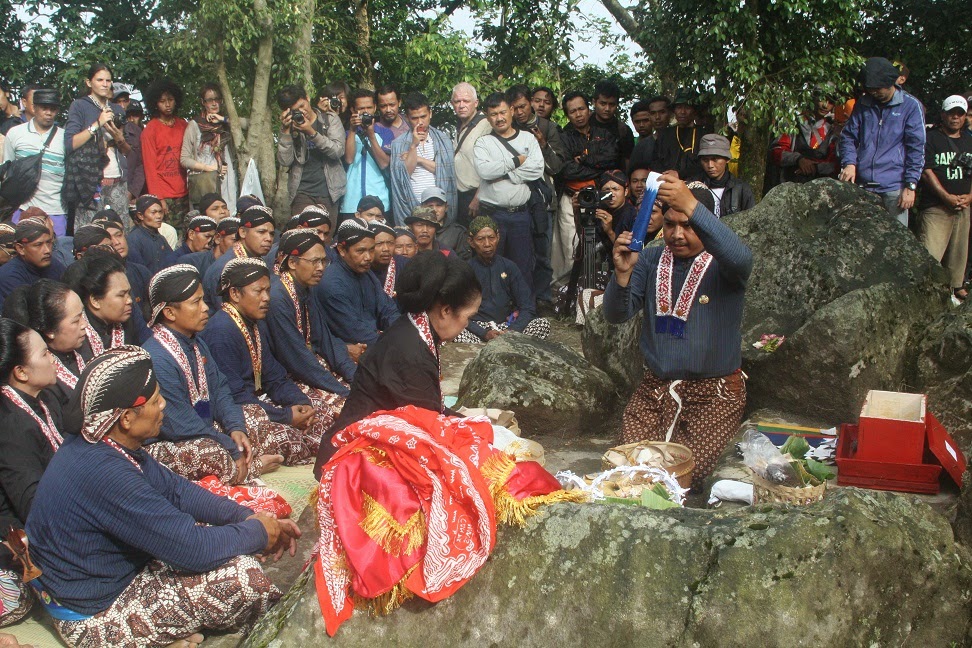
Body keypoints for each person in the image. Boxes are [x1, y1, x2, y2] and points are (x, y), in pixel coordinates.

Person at [25, 345, 297, 648]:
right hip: (93, 615)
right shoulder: (104, 471)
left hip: (115, 577)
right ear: (127, 417)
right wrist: (258, 532)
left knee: (228, 536)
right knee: (242, 577)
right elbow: (192, 550)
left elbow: (178, 490)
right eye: (156, 401)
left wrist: (245, 516)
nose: (164, 405)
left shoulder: (108, 443)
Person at [603, 173, 752, 490]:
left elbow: (742, 258)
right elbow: (616, 314)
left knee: (689, 475)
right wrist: (622, 274)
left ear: (708, 224)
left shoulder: (723, 264)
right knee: (629, 468)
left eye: (689, 224)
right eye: (670, 224)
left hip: (713, 398)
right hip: (654, 393)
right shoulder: (651, 257)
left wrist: (690, 203)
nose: (677, 234)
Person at [313, 250, 482, 473]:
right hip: (352, 460)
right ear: (446, 311)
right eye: (468, 317)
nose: (467, 324)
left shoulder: (412, 329)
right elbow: (428, 425)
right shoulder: (411, 351)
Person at [202, 257, 339, 465]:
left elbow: (275, 376)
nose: (267, 298)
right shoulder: (221, 330)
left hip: (260, 401)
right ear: (235, 294)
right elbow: (235, 396)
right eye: (259, 291)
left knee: (320, 411)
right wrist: (286, 416)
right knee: (291, 439)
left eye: (267, 290)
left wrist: (299, 402)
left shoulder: (254, 323)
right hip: (238, 410)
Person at [143, 264, 271, 483]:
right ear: (170, 312)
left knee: (254, 417)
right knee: (211, 453)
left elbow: (220, 388)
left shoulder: (196, 342)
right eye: (196, 302)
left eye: (203, 300)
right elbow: (179, 425)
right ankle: (255, 466)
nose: (206, 308)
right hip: (173, 439)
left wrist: (235, 428)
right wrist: (229, 445)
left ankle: (245, 463)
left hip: (203, 426)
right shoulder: (157, 357)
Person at [0, 318, 58, 628]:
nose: (53, 358)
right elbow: (32, 505)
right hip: (16, 534)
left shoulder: (42, 399)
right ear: (21, 373)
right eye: (45, 354)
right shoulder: (11, 426)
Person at [266, 229, 354, 407]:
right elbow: (296, 358)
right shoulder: (277, 298)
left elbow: (324, 340)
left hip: (309, 364)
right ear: (292, 262)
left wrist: (356, 376)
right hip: (288, 375)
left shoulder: (306, 287)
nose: (321, 268)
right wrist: (341, 390)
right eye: (314, 261)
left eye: (323, 261)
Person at [839, 57, 926, 226]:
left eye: (877, 88)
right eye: (870, 88)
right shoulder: (863, 104)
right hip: (862, 185)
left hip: (895, 187)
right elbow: (848, 136)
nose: (873, 92)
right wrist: (849, 163)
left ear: (890, 82)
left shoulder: (911, 106)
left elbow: (917, 148)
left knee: (897, 245)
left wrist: (910, 185)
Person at [473, 93, 545, 292]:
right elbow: (485, 171)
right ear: (487, 117)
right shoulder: (483, 143)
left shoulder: (528, 139)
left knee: (522, 266)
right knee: (491, 265)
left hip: (521, 214)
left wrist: (505, 174)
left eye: (503, 112)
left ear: (511, 111)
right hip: (492, 215)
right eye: (493, 114)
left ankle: (525, 310)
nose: (499, 118)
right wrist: (516, 162)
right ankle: (494, 311)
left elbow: (537, 169)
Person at [508, 84, 566, 303]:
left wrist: (542, 144)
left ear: (530, 102)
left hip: (543, 201)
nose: (519, 112)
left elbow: (558, 167)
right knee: (520, 252)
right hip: (516, 199)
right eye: (514, 108)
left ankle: (542, 298)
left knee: (543, 253)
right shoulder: (507, 129)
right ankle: (521, 298)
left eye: (522, 106)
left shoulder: (548, 127)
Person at [555, 91, 619, 285]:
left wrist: (584, 160)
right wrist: (596, 167)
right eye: (573, 111)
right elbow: (567, 170)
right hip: (572, 197)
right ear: (567, 115)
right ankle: (568, 292)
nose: (579, 114)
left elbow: (611, 159)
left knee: (601, 243)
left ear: (589, 109)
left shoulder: (604, 134)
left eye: (581, 109)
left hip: (602, 197)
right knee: (571, 245)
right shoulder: (564, 137)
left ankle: (599, 287)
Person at [453, 216, 549, 344]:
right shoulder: (465, 269)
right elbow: (457, 311)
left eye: (491, 238)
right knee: (456, 331)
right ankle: (496, 345)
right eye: (480, 239)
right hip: (478, 328)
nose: (487, 244)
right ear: (471, 242)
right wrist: (484, 333)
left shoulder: (509, 267)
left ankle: (504, 343)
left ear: (498, 237)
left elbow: (527, 306)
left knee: (542, 324)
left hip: (506, 326)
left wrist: (511, 330)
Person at [62, 63, 132, 232]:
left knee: (119, 233)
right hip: (90, 183)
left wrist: (118, 137)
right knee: (89, 234)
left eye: (108, 80)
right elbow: (70, 143)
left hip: (117, 182)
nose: (104, 84)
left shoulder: (117, 109)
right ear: (89, 82)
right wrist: (98, 123)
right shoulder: (79, 105)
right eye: (99, 80)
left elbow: (127, 151)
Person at [3, 280, 89, 407]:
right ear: (50, 331)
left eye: (83, 314)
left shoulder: (87, 345)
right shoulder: (43, 376)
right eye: (76, 320)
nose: (85, 324)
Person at [919, 96, 972, 302]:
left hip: (964, 205)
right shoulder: (930, 138)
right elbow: (926, 171)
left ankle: (957, 287)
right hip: (936, 205)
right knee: (930, 253)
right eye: (951, 113)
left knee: (959, 252)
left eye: (960, 113)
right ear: (942, 114)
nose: (955, 117)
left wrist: (969, 197)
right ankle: (926, 292)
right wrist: (946, 197)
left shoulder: (969, 140)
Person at [318, 219, 399, 353]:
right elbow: (354, 331)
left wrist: (401, 334)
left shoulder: (366, 273)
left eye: (371, 250)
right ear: (342, 250)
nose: (368, 257)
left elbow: (388, 310)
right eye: (360, 251)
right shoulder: (331, 285)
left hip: (377, 341)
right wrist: (394, 345)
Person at [2, 89, 68, 235]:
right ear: (34, 108)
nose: (49, 112)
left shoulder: (65, 138)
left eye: (53, 109)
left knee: (56, 253)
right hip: (21, 209)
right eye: (44, 108)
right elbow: (8, 171)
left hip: (55, 211)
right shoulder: (15, 134)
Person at [276, 84, 346, 217]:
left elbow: (337, 151)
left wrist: (312, 132)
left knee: (325, 236)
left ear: (307, 98)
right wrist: (285, 131)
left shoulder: (329, 119)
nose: (302, 112)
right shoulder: (290, 127)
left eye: (302, 106)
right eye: (295, 110)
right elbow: (285, 161)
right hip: (301, 192)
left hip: (329, 192)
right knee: (303, 235)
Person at [389, 92, 456, 226]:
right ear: (407, 118)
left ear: (430, 114)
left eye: (423, 116)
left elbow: (446, 170)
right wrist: (413, 145)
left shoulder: (443, 140)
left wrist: (419, 160)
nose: (420, 122)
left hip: (438, 205)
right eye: (414, 118)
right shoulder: (399, 144)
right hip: (412, 205)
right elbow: (403, 175)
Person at [63, 253, 145, 352]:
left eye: (129, 293)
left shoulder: (128, 322)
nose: (129, 300)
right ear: (95, 301)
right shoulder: (77, 336)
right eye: (121, 295)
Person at [202, 205, 275, 311]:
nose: (268, 238)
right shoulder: (225, 268)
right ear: (243, 232)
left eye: (272, 234)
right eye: (261, 232)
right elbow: (229, 314)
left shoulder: (257, 259)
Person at [140, 78, 190, 233]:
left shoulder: (184, 125)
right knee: (168, 233)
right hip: (165, 195)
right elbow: (150, 168)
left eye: (170, 100)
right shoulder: (150, 130)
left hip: (185, 192)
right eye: (162, 101)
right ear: (155, 103)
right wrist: (158, 198)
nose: (167, 104)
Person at [181, 83, 238, 216]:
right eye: (209, 100)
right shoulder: (194, 125)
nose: (214, 103)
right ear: (203, 102)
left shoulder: (227, 124)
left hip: (227, 181)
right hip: (206, 181)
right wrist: (210, 168)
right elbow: (184, 159)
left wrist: (223, 119)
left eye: (217, 99)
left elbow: (248, 124)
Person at [340, 89, 393, 225]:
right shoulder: (346, 134)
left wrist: (371, 135)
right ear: (353, 109)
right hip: (352, 203)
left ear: (375, 108)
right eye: (361, 108)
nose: (365, 112)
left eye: (369, 108)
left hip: (380, 202)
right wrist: (352, 131)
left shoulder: (385, 133)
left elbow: (384, 163)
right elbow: (349, 159)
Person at [89, 210, 152, 318]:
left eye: (119, 235)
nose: (117, 242)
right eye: (109, 238)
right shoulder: (95, 277)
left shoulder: (141, 271)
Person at [770, 87, 840, 183]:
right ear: (813, 97)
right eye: (822, 99)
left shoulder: (832, 132)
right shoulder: (792, 123)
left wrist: (815, 167)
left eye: (831, 102)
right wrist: (798, 159)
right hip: (788, 183)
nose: (825, 105)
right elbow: (776, 152)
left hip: (820, 187)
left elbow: (834, 164)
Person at [0, 219, 66, 311]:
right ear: (20, 248)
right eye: (38, 245)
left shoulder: (55, 265)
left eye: (48, 243)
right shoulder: (9, 276)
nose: (47, 250)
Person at [649, 88, 711, 180]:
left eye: (687, 107)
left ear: (694, 110)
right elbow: (655, 162)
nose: (682, 112)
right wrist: (666, 175)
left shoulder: (703, 135)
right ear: (674, 111)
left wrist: (679, 174)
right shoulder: (665, 135)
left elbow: (705, 164)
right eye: (679, 107)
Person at [452, 82, 491, 226]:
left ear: (476, 103)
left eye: (466, 101)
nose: (461, 105)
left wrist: (478, 197)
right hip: (459, 196)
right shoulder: (458, 126)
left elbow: (491, 166)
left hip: (477, 196)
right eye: (457, 101)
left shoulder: (486, 125)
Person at [693, 134, 756, 217]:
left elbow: (751, 221)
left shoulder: (742, 189)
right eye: (705, 160)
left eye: (715, 159)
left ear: (727, 159)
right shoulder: (692, 187)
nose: (710, 165)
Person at [592, 79, 635, 169]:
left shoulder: (624, 131)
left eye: (612, 104)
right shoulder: (581, 125)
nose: (607, 108)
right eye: (603, 104)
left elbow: (628, 162)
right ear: (594, 102)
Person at [126, 194, 173, 274]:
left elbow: (171, 261)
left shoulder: (160, 238)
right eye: (153, 212)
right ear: (141, 216)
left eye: (160, 212)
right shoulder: (134, 240)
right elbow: (138, 271)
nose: (158, 216)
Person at [420, 186, 470, 258]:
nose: (434, 210)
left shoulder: (458, 232)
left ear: (446, 207)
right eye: (430, 206)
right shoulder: (414, 231)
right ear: (422, 207)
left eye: (439, 205)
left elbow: (463, 262)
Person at [627, 95, 672, 174]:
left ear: (671, 114)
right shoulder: (641, 146)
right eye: (653, 113)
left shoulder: (680, 139)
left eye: (662, 112)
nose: (657, 117)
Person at [369, 220, 407, 297]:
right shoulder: (361, 268)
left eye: (390, 243)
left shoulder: (405, 265)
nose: (386, 248)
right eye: (379, 244)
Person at [123, 99, 146, 200]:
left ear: (141, 117)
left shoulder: (144, 135)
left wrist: (132, 191)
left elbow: (143, 165)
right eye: (128, 116)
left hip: (138, 192)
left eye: (135, 115)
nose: (131, 119)